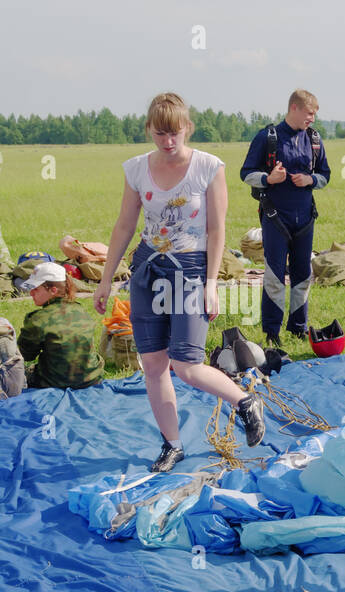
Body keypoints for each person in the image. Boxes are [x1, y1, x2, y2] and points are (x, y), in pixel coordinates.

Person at [93, 92, 265, 474]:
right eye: (159, 134)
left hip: (189, 268)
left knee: (186, 364)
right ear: (149, 131)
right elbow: (125, 225)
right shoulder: (136, 169)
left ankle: (245, 402)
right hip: (147, 269)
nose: (168, 142)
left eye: (174, 133)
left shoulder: (208, 167)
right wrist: (107, 280)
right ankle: (172, 445)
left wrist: (211, 282)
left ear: (187, 128)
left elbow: (217, 228)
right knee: (154, 365)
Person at [240, 89, 331, 346]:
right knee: (274, 274)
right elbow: (245, 173)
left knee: (303, 274)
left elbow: (325, 174)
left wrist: (310, 180)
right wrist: (269, 179)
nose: (312, 119)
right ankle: (272, 332)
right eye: (309, 113)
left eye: (314, 115)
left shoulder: (314, 139)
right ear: (294, 108)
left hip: (305, 219)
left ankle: (298, 328)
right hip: (275, 217)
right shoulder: (267, 137)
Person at [16, 261, 104, 390]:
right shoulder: (80, 310)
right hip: (92, 379)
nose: (31, 293)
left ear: (53, 290)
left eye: (35, 289)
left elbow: (25, 355)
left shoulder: (38, 319)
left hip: (54, 383)